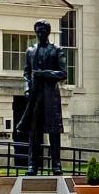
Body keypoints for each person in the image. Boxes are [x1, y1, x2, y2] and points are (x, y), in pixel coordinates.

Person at [15, 20, 67, 176]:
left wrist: (43, 74)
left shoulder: (57, 50)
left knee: (54, 131)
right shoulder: (30, 51)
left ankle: (56, 164)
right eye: (37, 31)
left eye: (42, 31)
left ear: (48, 32)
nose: (39, 34)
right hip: (35, 96)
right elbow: (26, 74)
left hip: (51, 96)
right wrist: (27, 89)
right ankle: (32, 165)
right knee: (34, 131)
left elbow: (63, 73)